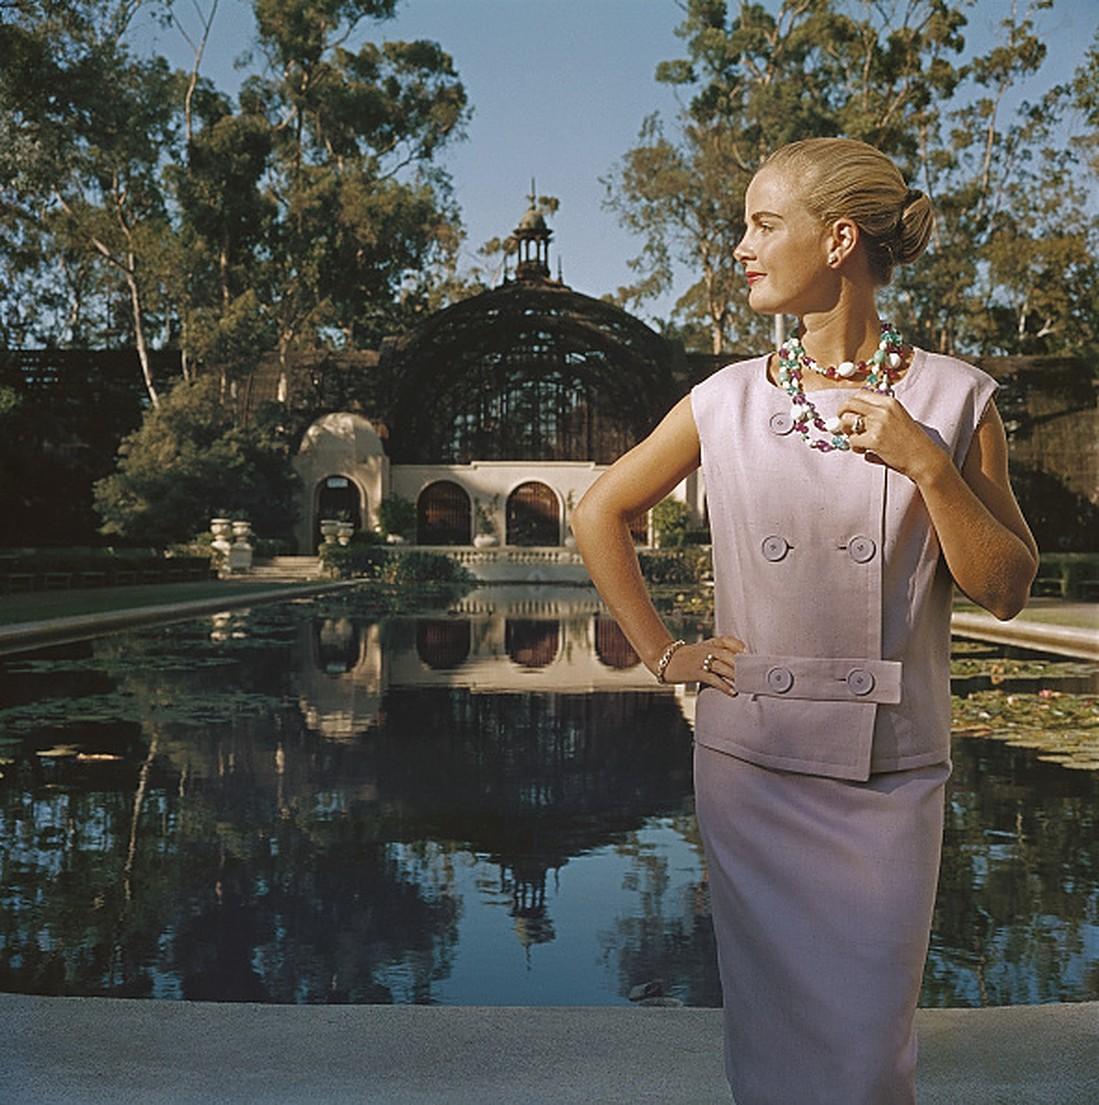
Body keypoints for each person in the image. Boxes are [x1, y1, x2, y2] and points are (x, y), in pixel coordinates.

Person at [571, 137, 1038, 1105]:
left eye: (761, 223)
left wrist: (927, 465)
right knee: (774, 1053)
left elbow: (1005, 586)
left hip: (891, 767)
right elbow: (596, 510)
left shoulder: (955, 399)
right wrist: (664, 653)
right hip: (754, 761)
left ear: (835, 239)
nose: (739, 245)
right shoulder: (724, 399)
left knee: (869, 1056)